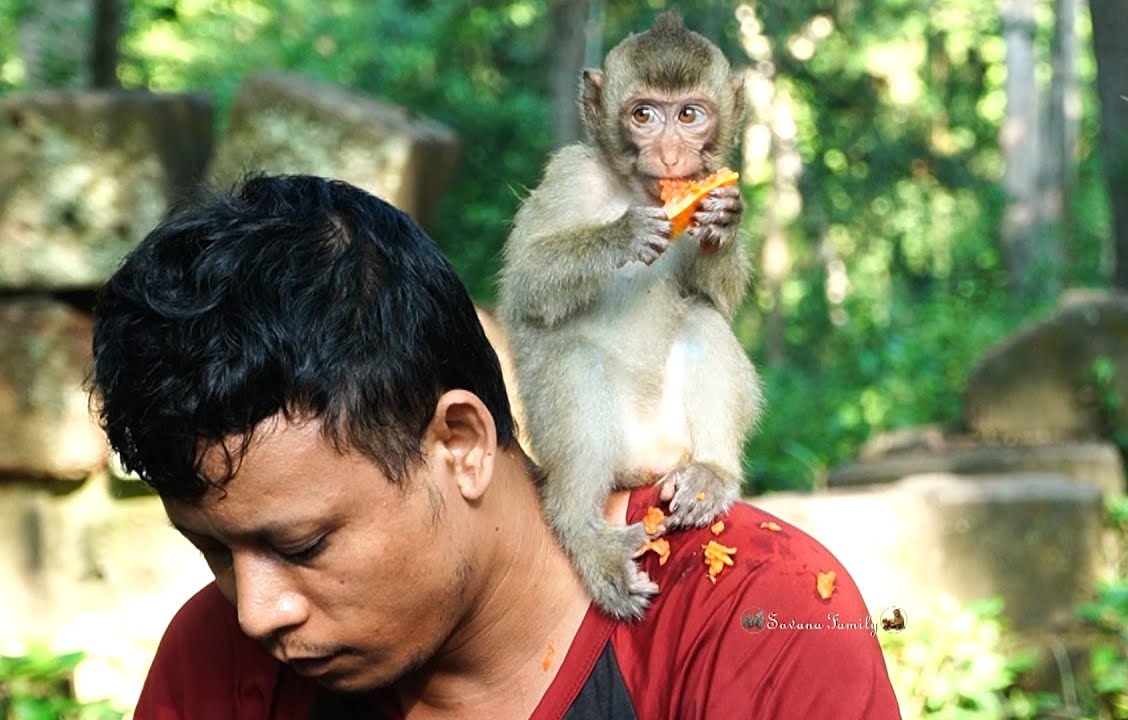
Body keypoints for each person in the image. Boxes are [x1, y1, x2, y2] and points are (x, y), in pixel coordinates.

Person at [91, 173, 901, 719]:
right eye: (214, 552)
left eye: (301, 544)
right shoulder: (217, 665)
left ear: (461, 443)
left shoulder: (748, 615)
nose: (258, 609)